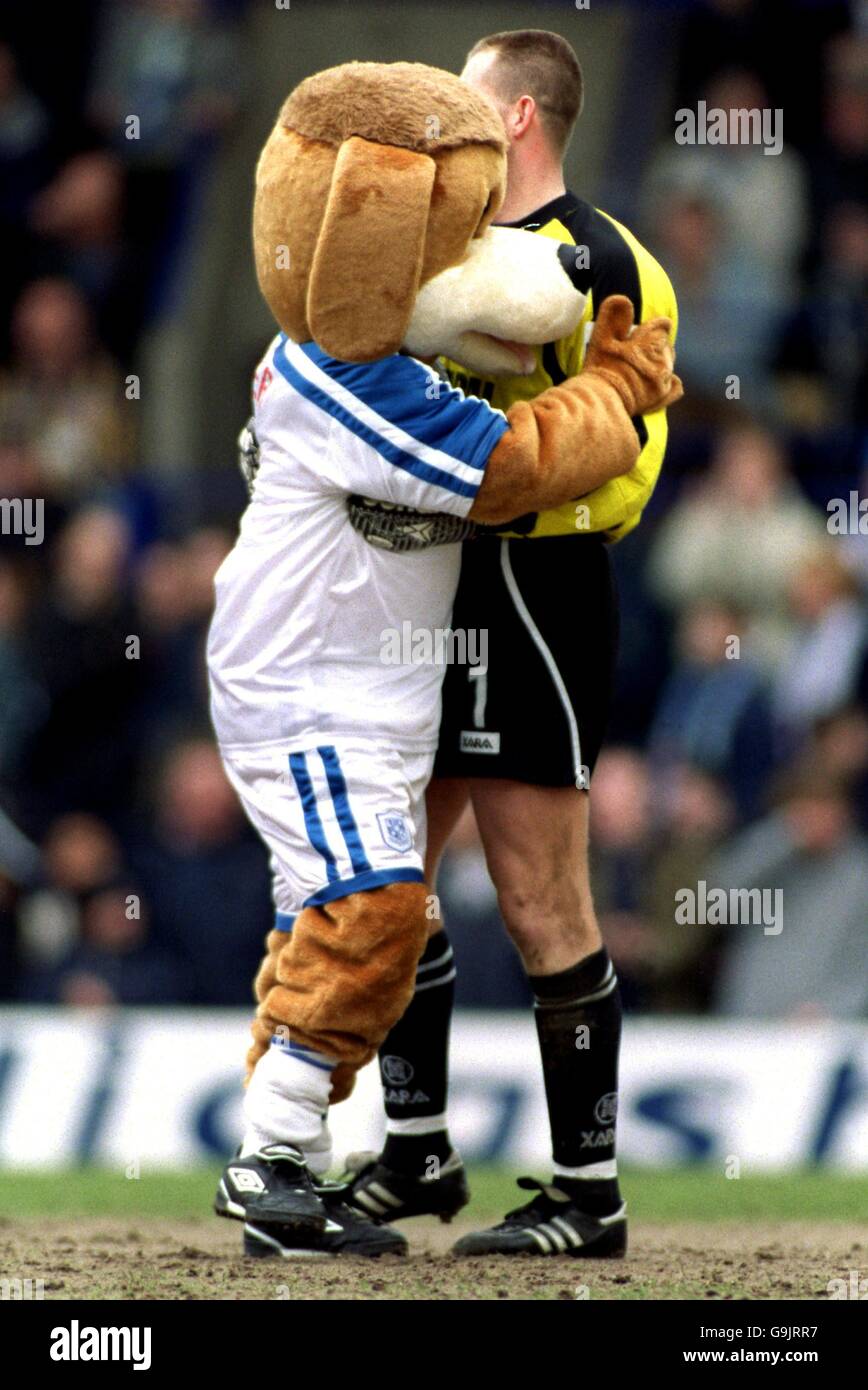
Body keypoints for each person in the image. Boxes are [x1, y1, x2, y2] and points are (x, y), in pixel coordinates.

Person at [347, 30, 680, 1259]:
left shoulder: (601, 261)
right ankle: (415, 1151)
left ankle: (587, 1192)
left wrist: (508, 483)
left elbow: (627, 449)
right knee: (390, 880)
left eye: (469, 98)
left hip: (534, 585)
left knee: (543, 898)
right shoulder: (443, 254)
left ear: (523, 116)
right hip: (428, 586)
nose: (446, 118)